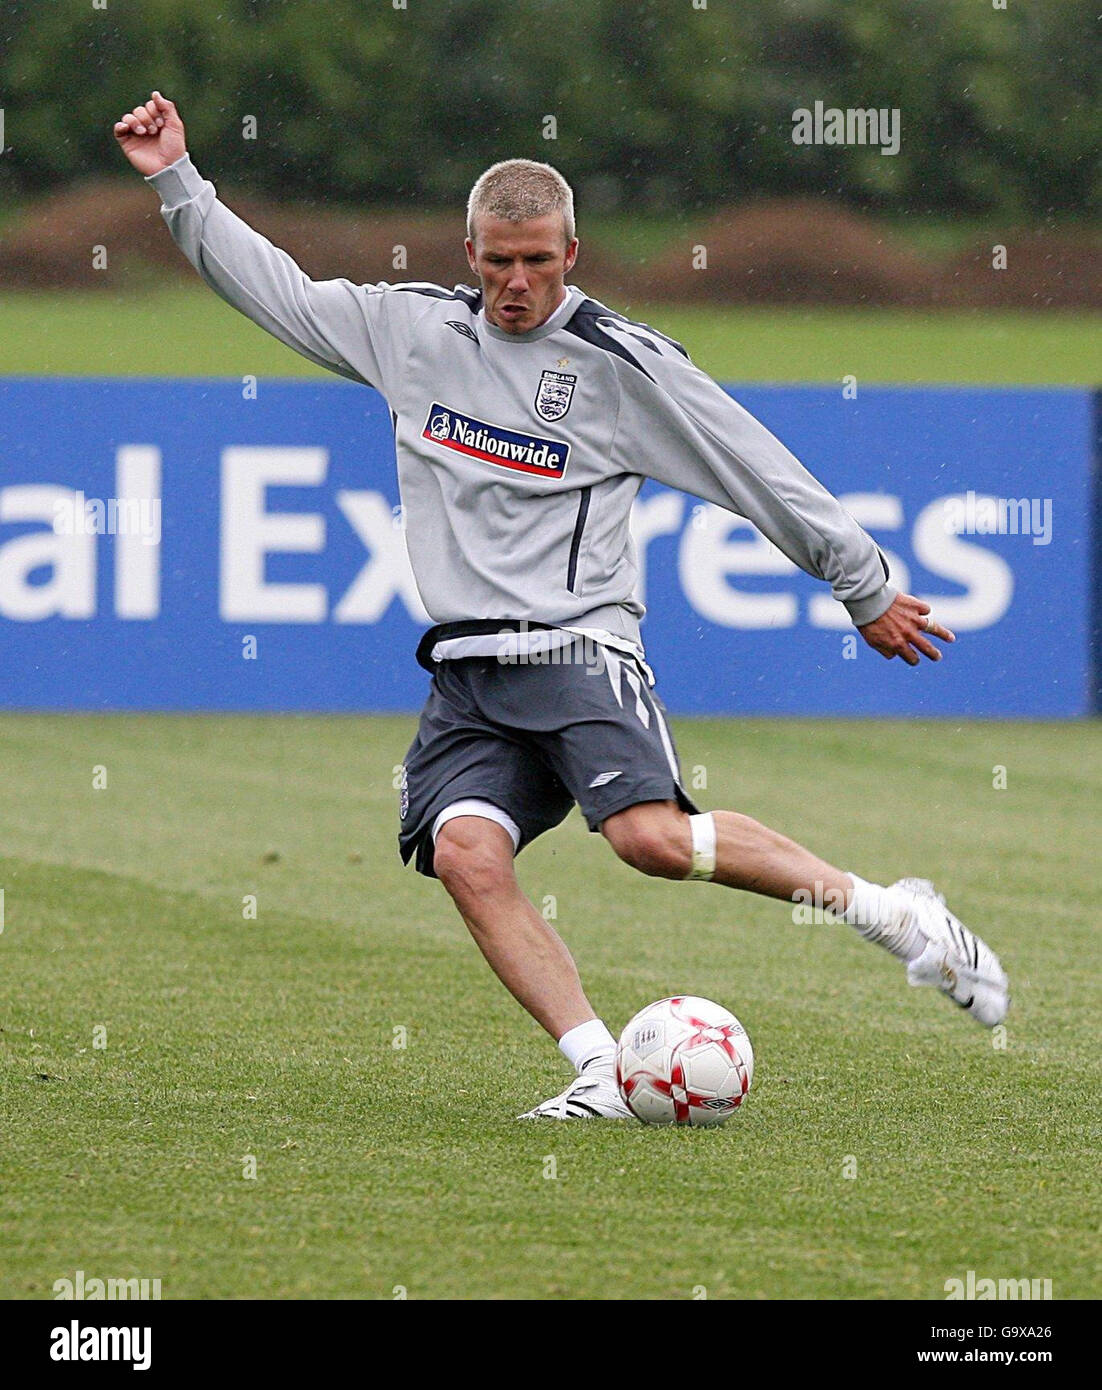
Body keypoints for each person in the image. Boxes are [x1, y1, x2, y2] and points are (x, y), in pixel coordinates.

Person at [115, 92, 1009, 1120]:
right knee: (464, 852)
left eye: (537, 260)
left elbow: (753, 464)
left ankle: (896, 915)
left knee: (649, 841)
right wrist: (175, 180)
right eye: (497, 260)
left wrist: (864, 585)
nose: (515, 283)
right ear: (469, 251)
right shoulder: (408, 331)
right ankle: (597, 1065)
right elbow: (271, 286)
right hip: (467, 669)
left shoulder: (620, 366)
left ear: (572, 253)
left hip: (578, 649)